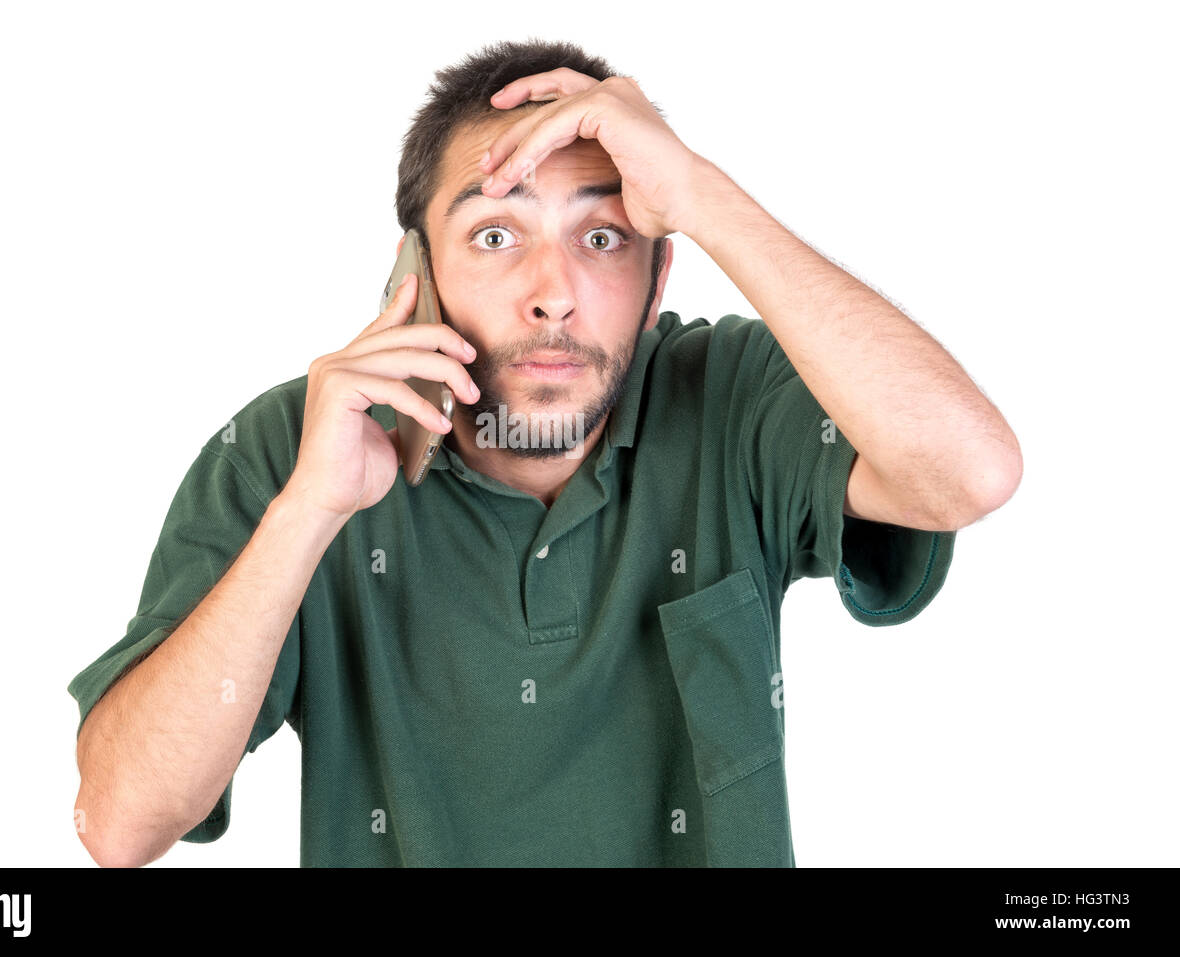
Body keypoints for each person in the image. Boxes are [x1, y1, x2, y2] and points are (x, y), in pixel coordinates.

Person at [67, 38, 1021, 867]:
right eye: (495, 233)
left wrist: (697, 191)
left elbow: (972, 472)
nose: (553, 292)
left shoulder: (732, 397)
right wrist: (308, 512)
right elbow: (120, 824)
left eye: (602, 236)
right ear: (416, 275)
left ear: (656, 282)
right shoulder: (293, 449)